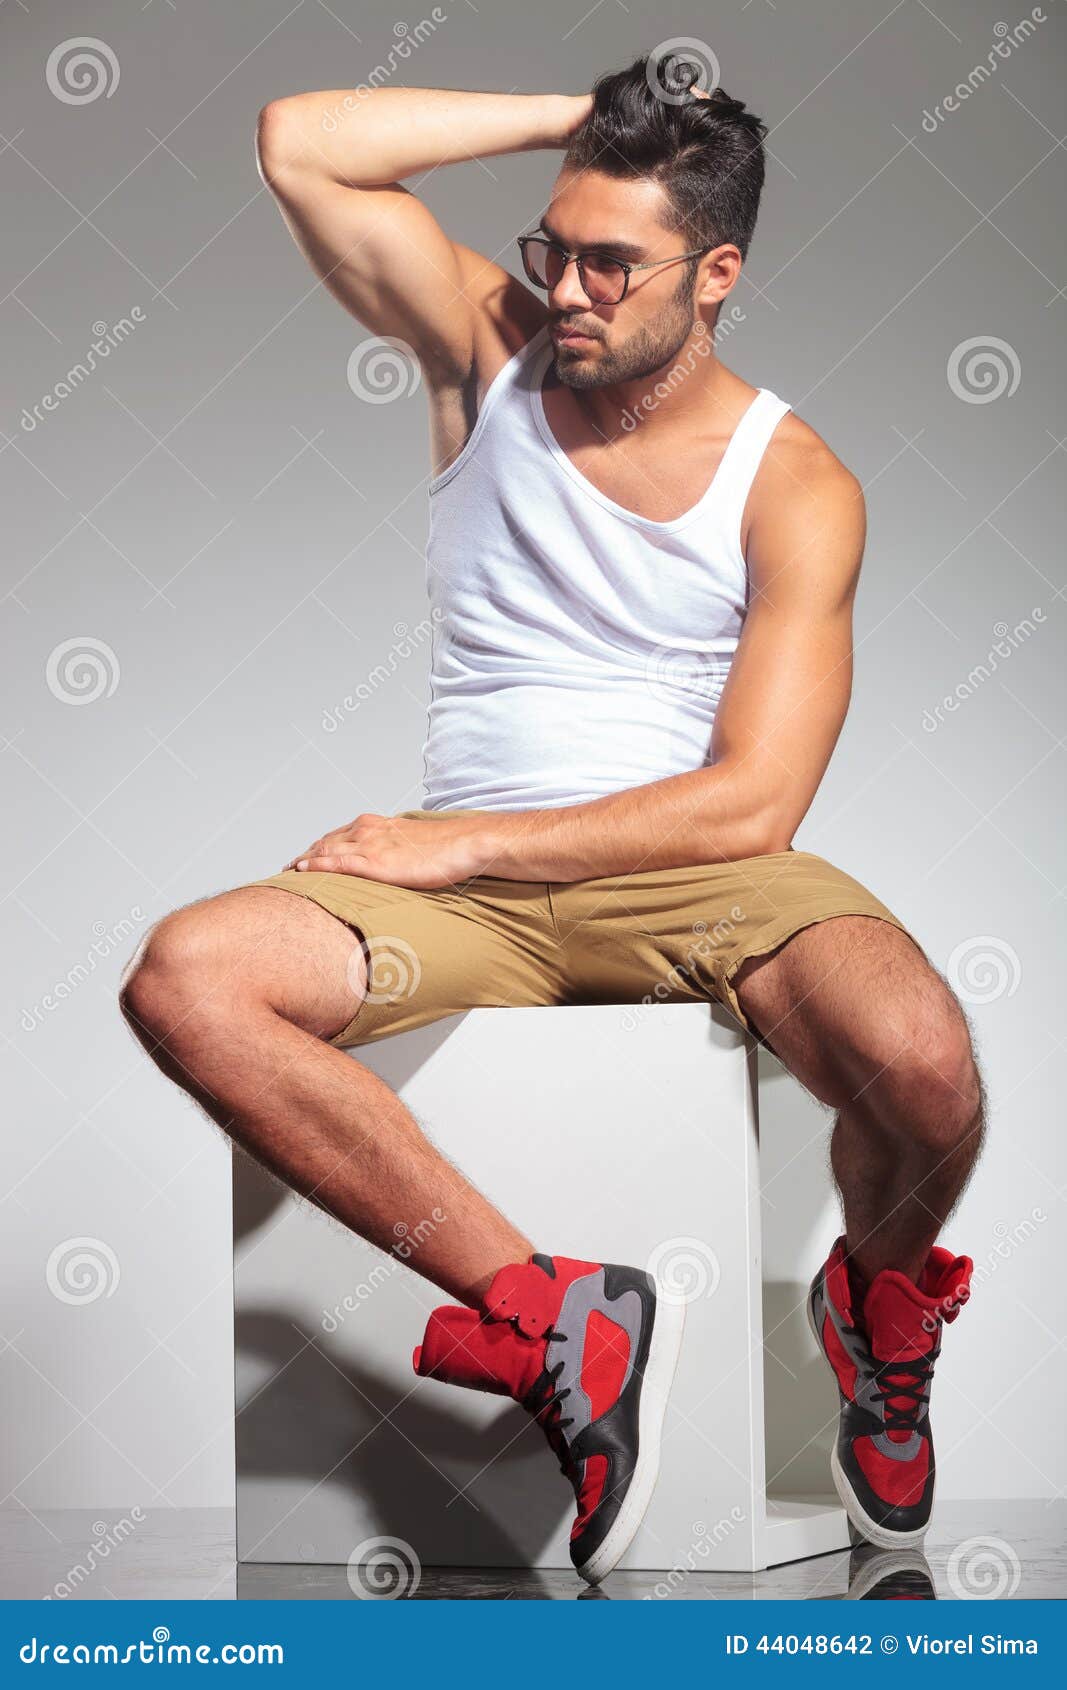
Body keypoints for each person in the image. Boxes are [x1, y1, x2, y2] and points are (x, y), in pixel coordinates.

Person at [120, 52, 982, 1584]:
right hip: (461, 897)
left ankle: (880, 1303)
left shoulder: (799, 483)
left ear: (717, 275)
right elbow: (302, 140)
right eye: (553, 247)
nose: (568, 289)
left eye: (612, 262)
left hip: (691, 874)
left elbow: (756, 799)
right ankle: (555, 1318)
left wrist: (463, 841)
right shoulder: (485, 348)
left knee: (923, 1061)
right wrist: (569, 121)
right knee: (187, 976)